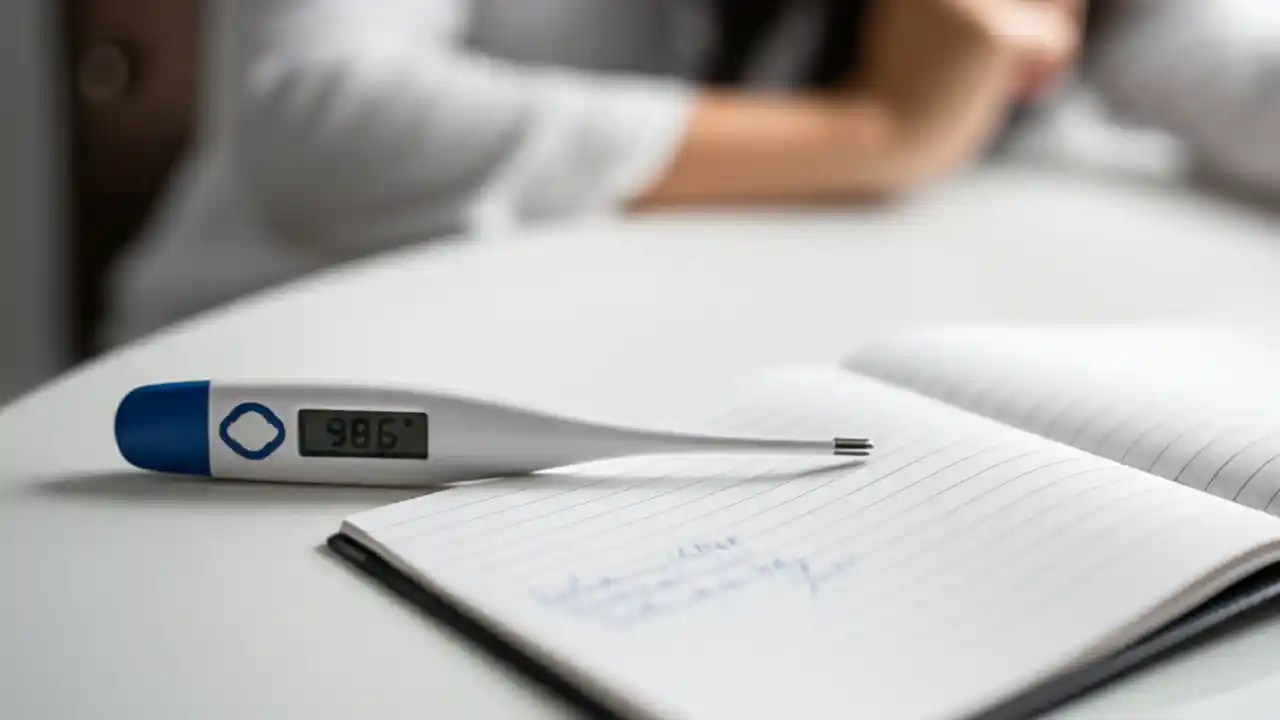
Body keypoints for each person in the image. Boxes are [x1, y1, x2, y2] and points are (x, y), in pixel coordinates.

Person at [105, 0, 1278, 344]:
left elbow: (1207, 58)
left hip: (671, 365)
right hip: (275, 355)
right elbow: (313, 120)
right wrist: (877, 133)